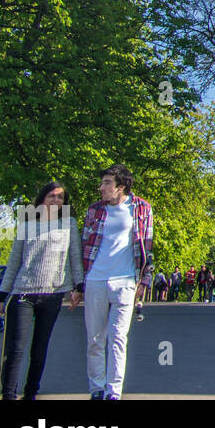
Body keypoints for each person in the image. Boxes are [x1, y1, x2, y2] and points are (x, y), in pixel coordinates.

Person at [0, 182, 83, 399]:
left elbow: (75, 258)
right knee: (15, 350)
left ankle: (31, 392)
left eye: (60, 197)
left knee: (39, 349)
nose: (56, 200)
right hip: (23, 293)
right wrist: (1, 297)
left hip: (52, 295)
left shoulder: (68, 224)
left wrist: (79, 287)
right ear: (42, 199)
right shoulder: (27, 225)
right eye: (52, 196)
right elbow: (14, 262)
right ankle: (9, 394)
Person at [81, 163, 154, 400]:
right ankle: (97, 389)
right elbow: (84, 245)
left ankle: (114, 392)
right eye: (102, 182)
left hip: (125, 281)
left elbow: (148, 246)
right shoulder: (94, 210)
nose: (101, 187)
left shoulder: (142, 208)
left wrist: (145, 279)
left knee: (118, 339)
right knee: (95, 339)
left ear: (121, 186)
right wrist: (79, 284)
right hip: (96, 279)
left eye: (107, 183)